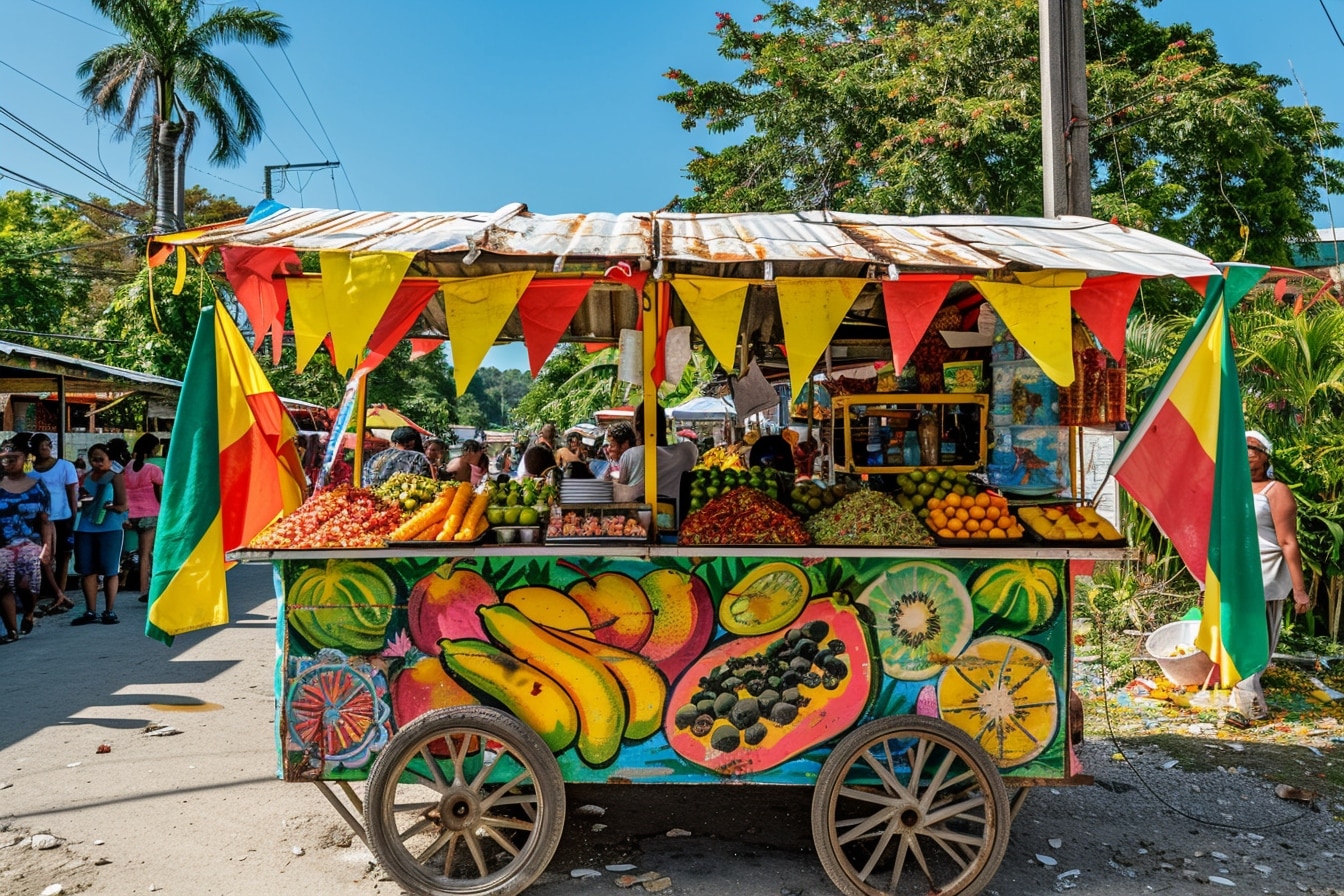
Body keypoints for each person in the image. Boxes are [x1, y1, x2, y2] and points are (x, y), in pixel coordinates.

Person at [1233, 430, 1311, 720]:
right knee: (1236, 638)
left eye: (1253, 446)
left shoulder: (1275, 491)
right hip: (1234, 579)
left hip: (1264, 578)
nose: (1247, 451)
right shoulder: (1231, 488)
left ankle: (1248, 706)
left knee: (1259, 642)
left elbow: (1288, 542)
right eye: (1242, 447)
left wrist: (1299, 590)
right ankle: (1245, 702)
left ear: (1266, 455)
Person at [1, 438, 52, 642]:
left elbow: (46, 521)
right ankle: (11, 630)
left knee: (26, 586)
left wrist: (47, 547)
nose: (8, 462)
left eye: (14, 458)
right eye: (4, 458)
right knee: (2, 584)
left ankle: (29, 613)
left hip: (30, 543)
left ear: (25, 459)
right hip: (2, 543)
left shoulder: (37, 487)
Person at [71, 443, 128, 626]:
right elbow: (78, 499)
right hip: (85, 528)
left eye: (100, 459)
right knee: (87, 570)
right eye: (93, 459)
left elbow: (123, 505)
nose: (97, 463)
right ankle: (90, 611)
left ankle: (109, 610)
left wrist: (109, 507)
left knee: (111, 570)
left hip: (110, 528)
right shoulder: (85, 477)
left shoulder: (115, 477)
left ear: (109, 460)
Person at [26, 433, 78, 613]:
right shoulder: (30, 472)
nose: (46, 449)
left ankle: (61, 591)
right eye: (42, 446)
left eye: (48, 445)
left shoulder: (65, 466)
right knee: (46, 556)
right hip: (42, 518)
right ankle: (53, 591)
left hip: (63, 515)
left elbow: (72, 491)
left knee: (64, 554)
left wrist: (73, 514)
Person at [123, 434, 165, 598]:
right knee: (147, 554)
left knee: (139, 552)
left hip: (131, 514)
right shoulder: (153, 469)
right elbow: (161, 489)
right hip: (150, 513)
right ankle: (146, 589)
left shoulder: (128, 466)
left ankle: (138, 585)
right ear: (153, 448)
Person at [361, 426, 431, 487]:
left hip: (372, 499)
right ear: (412, 442)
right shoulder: (418, 458)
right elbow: (425, 484)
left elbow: (366, 482)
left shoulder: (374, 458)